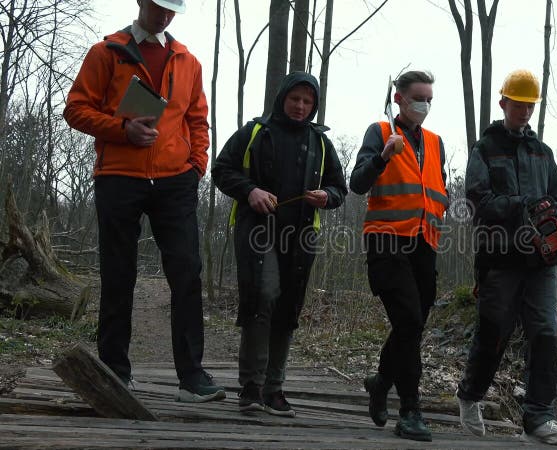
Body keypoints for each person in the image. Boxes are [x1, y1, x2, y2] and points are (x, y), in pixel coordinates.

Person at [63, 0, 225, 402]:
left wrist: (196, 166)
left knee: (187, 273)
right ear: (141, 3)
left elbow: (197, 120)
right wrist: (121, 128)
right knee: (118, 274)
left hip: (175, 182)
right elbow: (75, 109)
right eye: (158, 7)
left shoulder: (187, 60)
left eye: (172, 10)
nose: (164, 16)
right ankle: (115, 371)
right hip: (119, 176)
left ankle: (192, 376)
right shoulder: (107, 52)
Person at [455, 69, 557, 445]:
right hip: (499, 258)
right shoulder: (485, 149)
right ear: (503, 103)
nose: (524, 111)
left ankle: (539, 418)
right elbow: (478, 203)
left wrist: (553, 221)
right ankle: (470, 395)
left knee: (545, 334)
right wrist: (522, 204)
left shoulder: (543, 153)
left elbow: (555, 199)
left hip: (539, 261)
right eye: (518, 104)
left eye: (530, 106)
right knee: (494, 333)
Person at [212, 72, 347, 417]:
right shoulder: (256, 132)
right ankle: (251, 386)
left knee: (288, 308)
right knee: (264, 296)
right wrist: (250, 191)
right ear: (281, 98)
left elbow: (338, 187)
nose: (300, 106)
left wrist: (326, 196)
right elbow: (222, 169)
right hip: (257, 230)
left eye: (307, 101)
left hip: (301, 236)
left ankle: (275, 388)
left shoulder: (320, 142)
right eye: (294, 99)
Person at [350, 70, 448, 442]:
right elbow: (357, 184)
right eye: (418, 97)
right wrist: (382, 158)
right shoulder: (379, 132)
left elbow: (434, 187)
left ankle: (381, 382)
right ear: (399, 99)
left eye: (429, 99)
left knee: (414, 325)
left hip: (425, 242)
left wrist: (445, 206)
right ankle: (410, 408)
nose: (424, 105)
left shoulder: (436, 142)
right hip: (387, 240)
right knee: (408, 320)